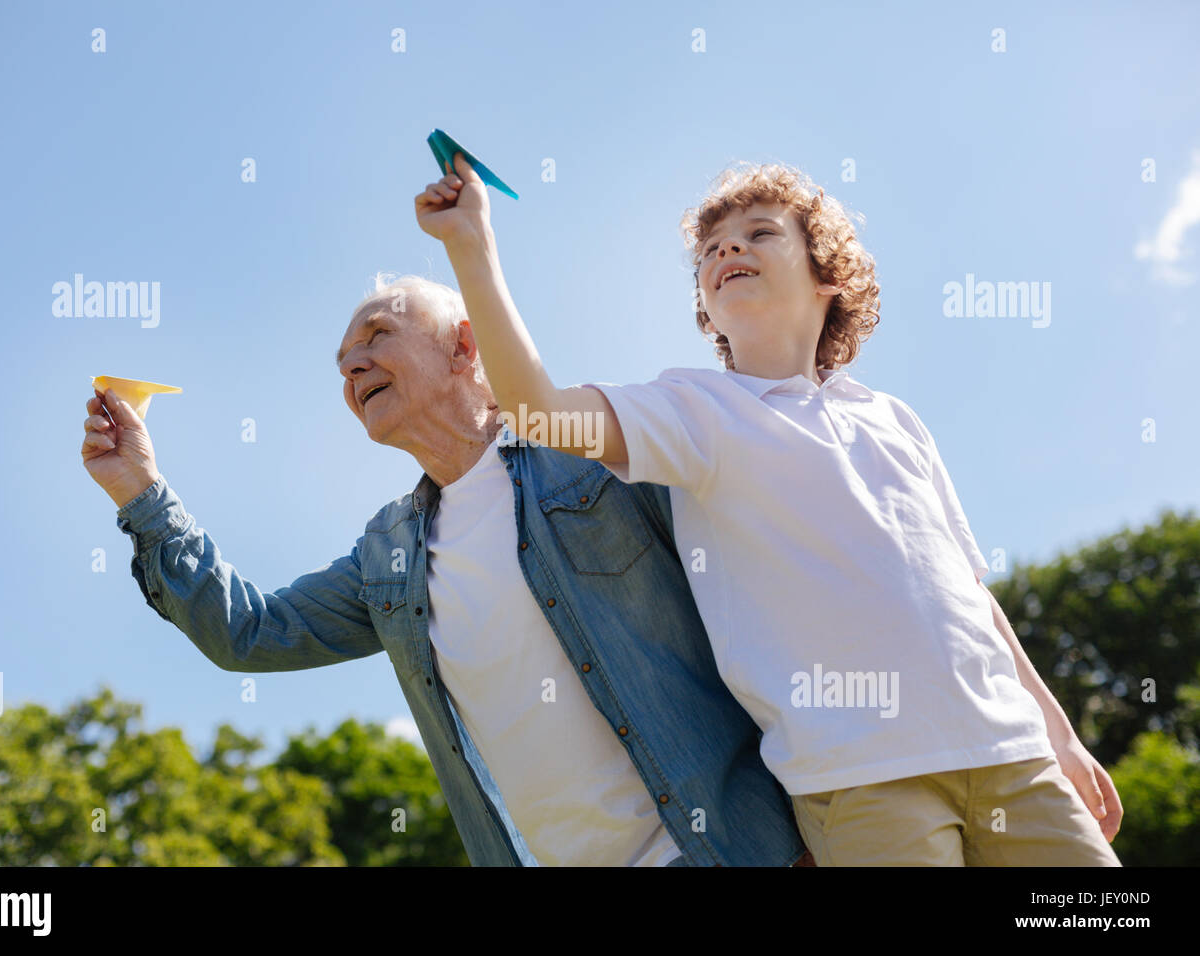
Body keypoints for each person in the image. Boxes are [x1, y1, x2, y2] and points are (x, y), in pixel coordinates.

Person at [417, 152, 1123, 866]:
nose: (729, 248)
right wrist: (471, 246)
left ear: (828, 277)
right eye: (713, 248)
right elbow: (542, 414)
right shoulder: (697, 411)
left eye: (760, 233)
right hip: (856, 783)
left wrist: (1058, 733)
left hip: (1013, 754)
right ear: (706, 303)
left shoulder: (895, 418)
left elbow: (972, 594)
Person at [80, 273, 808, 867]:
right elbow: (248, 634)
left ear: (465, 346)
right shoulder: (386, 555)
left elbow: (762, 586)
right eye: (343, 364)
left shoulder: (592, 446)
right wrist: (142, 494)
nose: (353, 367)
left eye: (376, 338)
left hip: (729, 849)